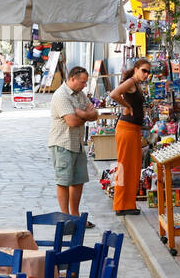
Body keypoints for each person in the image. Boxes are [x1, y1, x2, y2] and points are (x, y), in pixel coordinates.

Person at [49, 66, 99, 218]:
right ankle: (65, 217)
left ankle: (75, 216)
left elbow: (95, 114)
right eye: (82, 82)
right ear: (72, 79)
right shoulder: (61, 95)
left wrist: (81, 113)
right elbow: (71, 121)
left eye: (85, 82)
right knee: (64, 181)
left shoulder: (79, 95)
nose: (85, 85)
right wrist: (85, 116)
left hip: (77, 144)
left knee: (78, 180)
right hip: (63, 143)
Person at [109, 58, 151, 216]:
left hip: (133, 129)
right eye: (144, 70)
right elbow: (114, 94)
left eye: (148, 72)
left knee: (133, 167)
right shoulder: (131, 82)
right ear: (136, 69)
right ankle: (120, 204)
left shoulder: (136, 84)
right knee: (124, 167)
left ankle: (127, 203)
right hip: (127, 128)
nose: (146, 74)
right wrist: (127, 106)